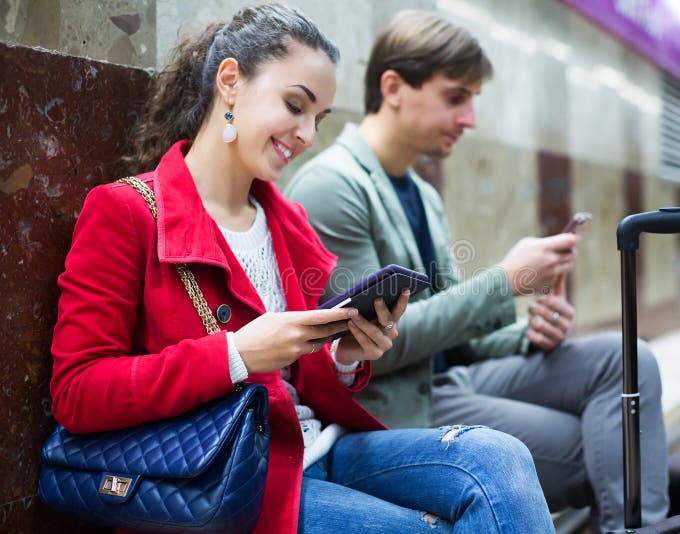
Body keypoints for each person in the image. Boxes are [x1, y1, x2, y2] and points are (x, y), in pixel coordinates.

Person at [48, 5, 555, 534]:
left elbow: (298, 369)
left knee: (499, 457)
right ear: (230, 82)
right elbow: (77, 392)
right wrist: (237, 354)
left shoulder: (285, 220)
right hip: (227, 475)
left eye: (320, 118)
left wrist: (343, 354)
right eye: (295, 105)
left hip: (320, 444)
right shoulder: (126, 211)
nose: (308, 134)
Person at [286, 9, 669, 532]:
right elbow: (371, 347)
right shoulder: (333, 187)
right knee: (610, 445)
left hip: (448, 379)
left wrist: (524, 335)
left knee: (626, 358)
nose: (470, 119)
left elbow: (457, 340)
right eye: (455, 97)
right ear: (394, 87)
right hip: (398, 406)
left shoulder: (421, 193)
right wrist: (503, 281)